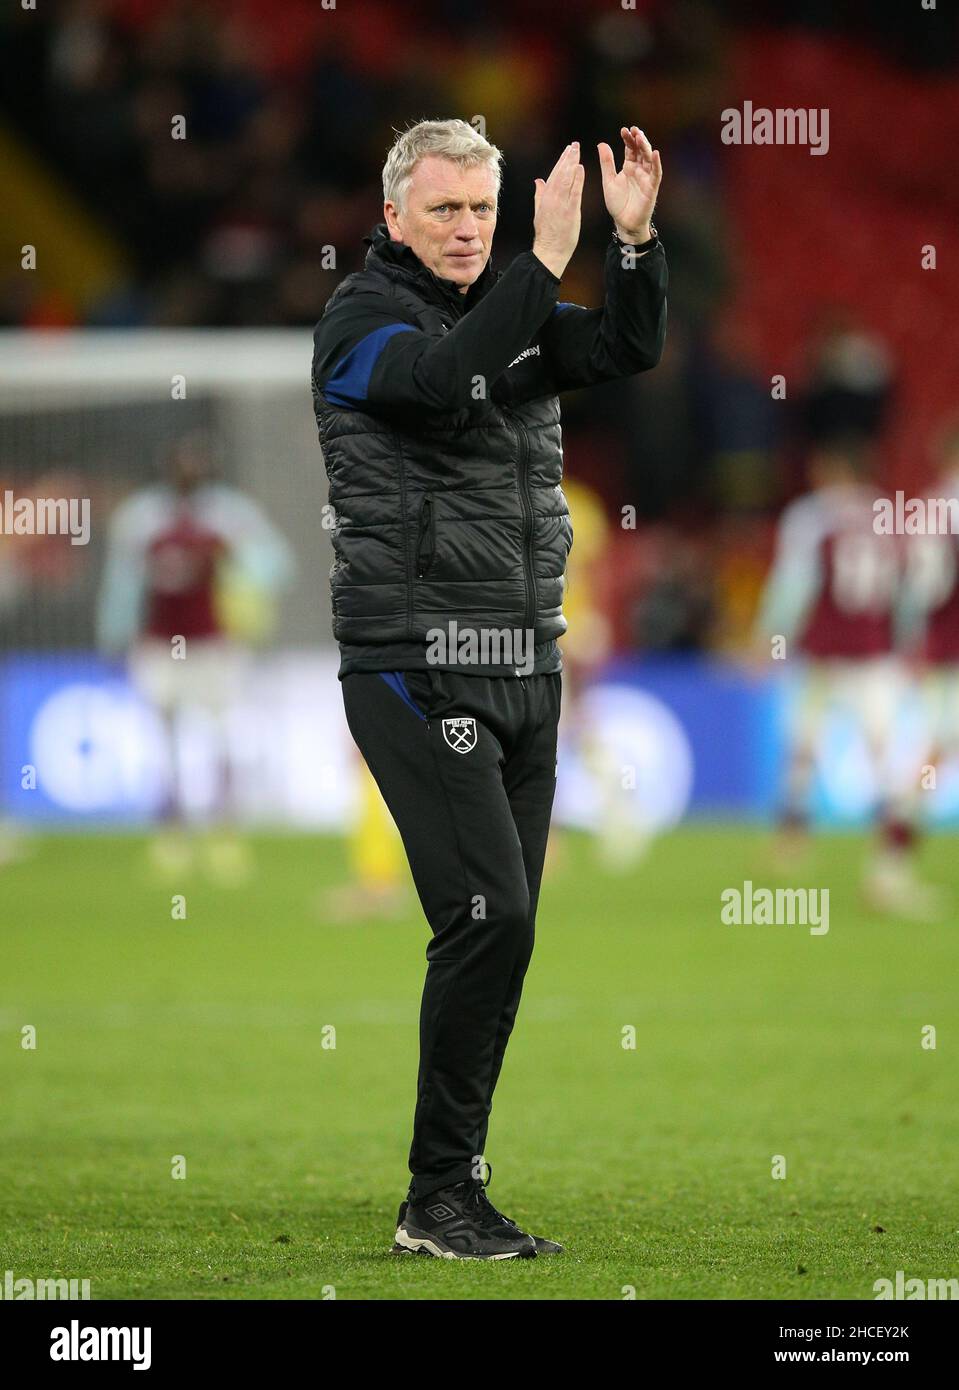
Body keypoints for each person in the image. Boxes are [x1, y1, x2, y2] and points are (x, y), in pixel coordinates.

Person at [311, 118, 666, 1259]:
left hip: (527, 661)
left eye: (481, 209)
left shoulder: (508, 314)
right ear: (393, 217)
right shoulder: (361, 325)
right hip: (416, 659)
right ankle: (436, 1194)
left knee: (500, 936)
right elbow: (445, 382)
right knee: (488, 913)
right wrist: (539, 265)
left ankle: (452, 1182)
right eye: (445, 210)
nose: (466, 230)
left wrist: (632, 241)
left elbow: (623, 349)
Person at [96, 433, 295, 880]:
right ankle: (171, 836)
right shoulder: (141, 517)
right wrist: (114, 634)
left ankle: (224, 835)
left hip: (213, 644)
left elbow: (275, 564)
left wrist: (239, 573)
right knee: (164, 741)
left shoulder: (230, 514)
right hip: (158, 644)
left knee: (222, 736)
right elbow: (122, 581)